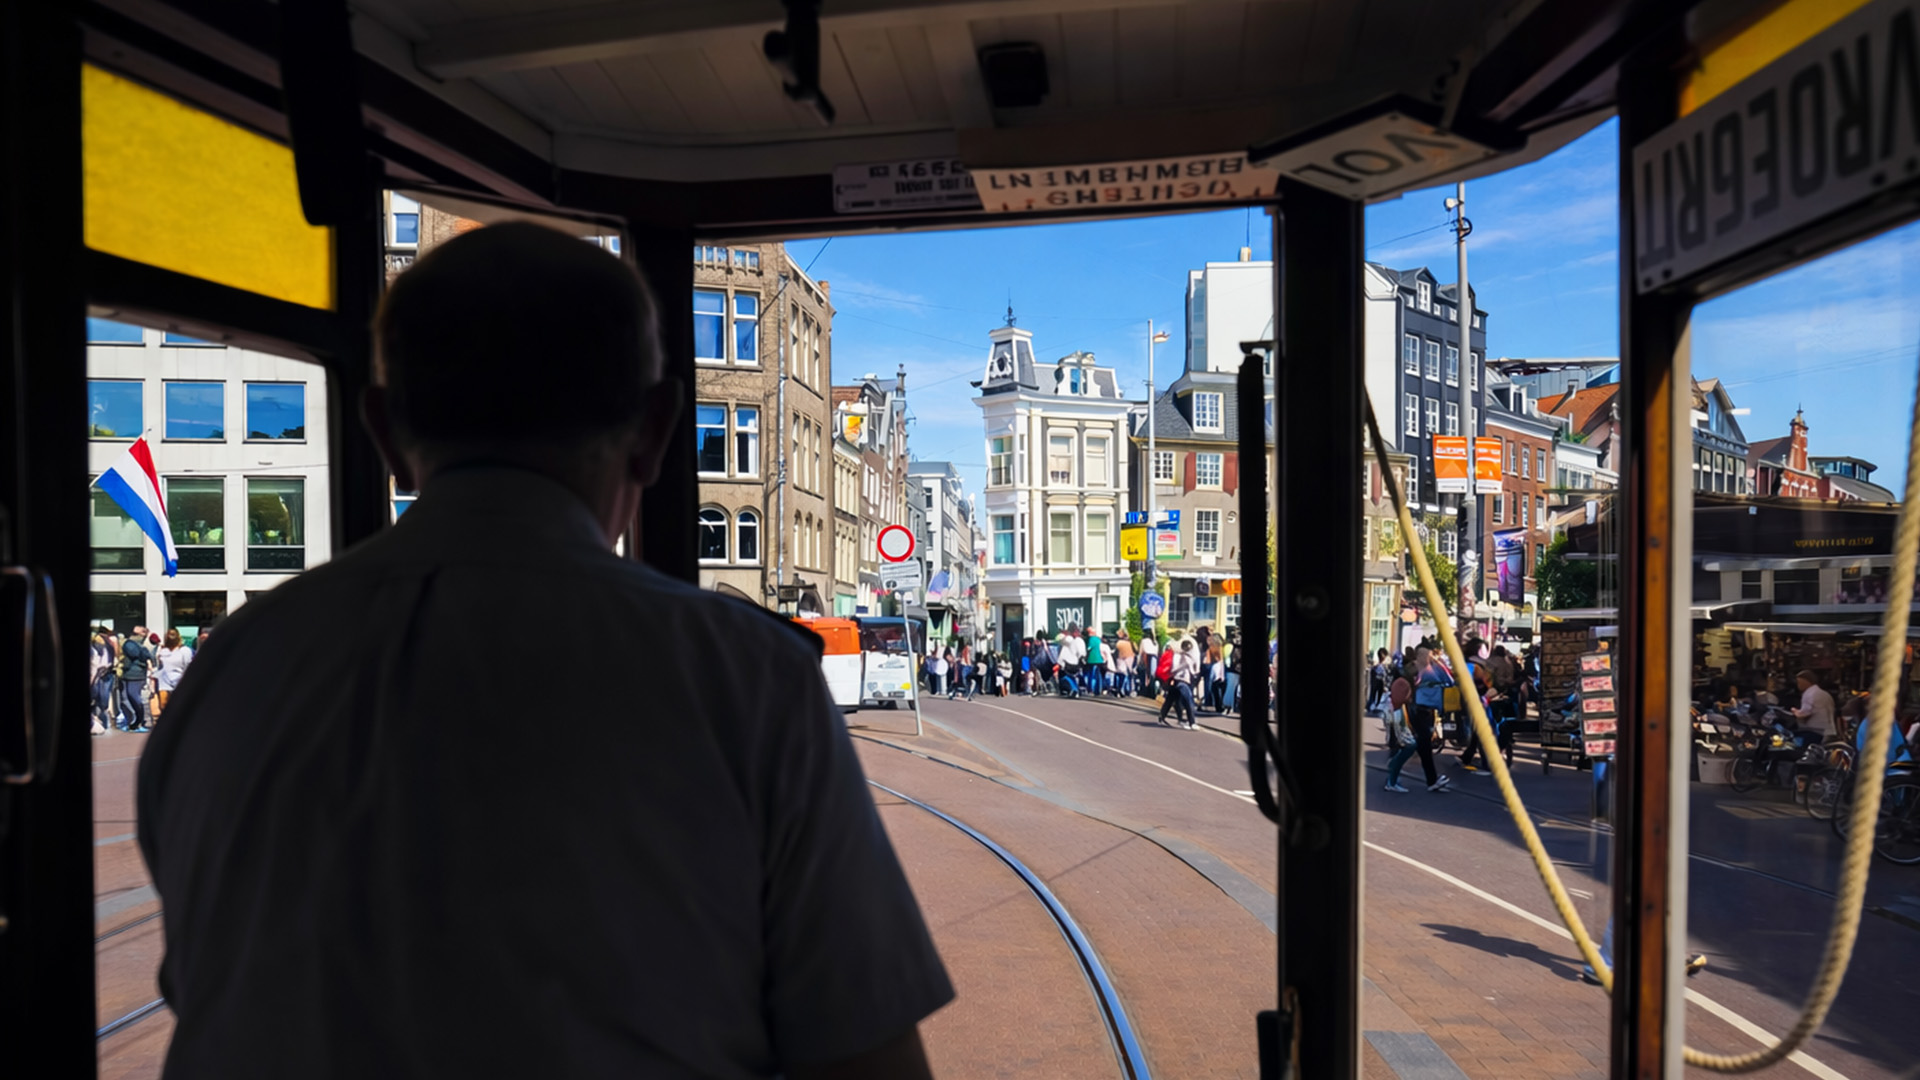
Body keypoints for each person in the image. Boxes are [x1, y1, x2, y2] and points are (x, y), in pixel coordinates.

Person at [138, 223, 950, 1080]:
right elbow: (871, 1058)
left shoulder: (228, 671)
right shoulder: (747, 679)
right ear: (656, 430)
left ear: (382, 430)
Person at [1408, 648, 1453, 792]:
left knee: (1423, 744)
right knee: (1424, 745)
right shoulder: (1417, 668)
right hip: (1420, 709)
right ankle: (1432, 780)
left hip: (1426, 709)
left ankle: (1431, 779)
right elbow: (1450, 681)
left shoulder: (1431, 668)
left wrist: (1440, 664)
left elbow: (1450, 681)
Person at [118, 625, 154, 733]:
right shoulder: (130, 644)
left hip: (135, 674)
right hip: (130, 673)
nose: (144, 635)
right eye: (142, 632)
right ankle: (134, 721)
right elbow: (138, 654)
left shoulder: (137, 645)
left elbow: (137, 654)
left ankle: (138, 720)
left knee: (133, 696)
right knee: (128, 697)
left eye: (145, 633)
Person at [153, 628, 194, 720]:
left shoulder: (185, 650)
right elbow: (159, 666)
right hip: (164, 682)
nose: (171, 638)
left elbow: (188, 666)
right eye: (169, 635)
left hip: (179, 681)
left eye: (173, 635)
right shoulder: (163, 650)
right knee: (163, 706)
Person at [1789, 669, 1837, 740]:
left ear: (1806, 682)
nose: (1798, 685)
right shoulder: (1825, 694)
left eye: (1799, 682)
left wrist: (1794, 711)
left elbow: (1804, 714)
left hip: (1816, 732)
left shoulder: (1809, 694)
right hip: (1830, 730)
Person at [89, 628, 115, 736]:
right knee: (102, 701)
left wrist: (93, 679)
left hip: (100, 675)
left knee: (99, 701)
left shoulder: (97, 648)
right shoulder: (108, 645)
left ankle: (100, 723)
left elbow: (97, 666)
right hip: (104, 674)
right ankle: (103, 722)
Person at [1083, 629, 1106, 696]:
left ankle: (1091, 690)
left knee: (1091, 675)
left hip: (1092, 659)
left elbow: (1089, 648)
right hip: (1099, 659)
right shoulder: (1098, 639)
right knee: (1098, 675)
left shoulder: (1091, 639)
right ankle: (1098, 690)